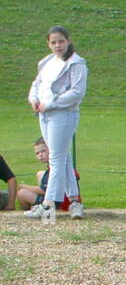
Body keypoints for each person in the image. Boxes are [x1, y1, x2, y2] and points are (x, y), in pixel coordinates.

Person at [25, 26, 86, 221]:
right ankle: (75, 201)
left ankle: (48, 203)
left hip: (63, 114)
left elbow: (76, 92)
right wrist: (34, 99)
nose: (57, 45)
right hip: (45, 115)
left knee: (56, 158)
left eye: (61, 41)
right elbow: (37, 84)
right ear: (48, 44)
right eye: (53, 42)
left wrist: (50, 103)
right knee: (63, 157)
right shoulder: (46, 62)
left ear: (68, 41)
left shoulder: (76, 64)